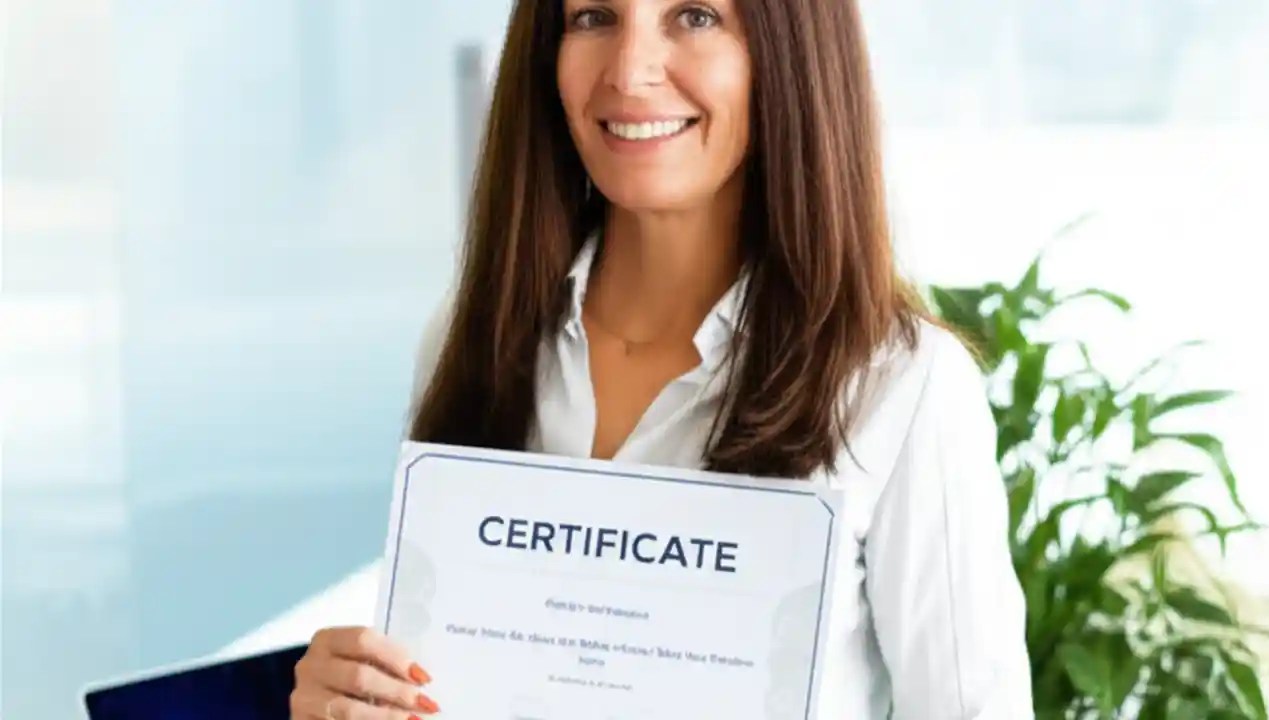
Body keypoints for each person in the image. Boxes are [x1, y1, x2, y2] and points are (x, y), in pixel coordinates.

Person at [291, 0, 1035, 717]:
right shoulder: (467, 338)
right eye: (593, 17)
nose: (629, 68)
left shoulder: (901, 385)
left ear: (791, 51)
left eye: (696, 15)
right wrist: (355, 697)